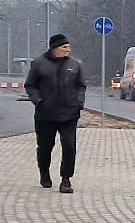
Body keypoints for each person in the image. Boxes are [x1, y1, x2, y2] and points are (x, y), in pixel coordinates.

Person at [24, 34, 88, 194]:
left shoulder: (74, 65)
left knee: (69, 146)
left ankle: (66, 179)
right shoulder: (39, 64)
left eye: (69, 47)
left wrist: (79, 102)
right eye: (64, 47)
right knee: (45, 147)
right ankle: (44, 173)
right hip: (46, 114)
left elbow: (81, 86)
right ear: (55, 48)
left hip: (70, 113)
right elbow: (30, 85)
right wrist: (38, 101)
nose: (68, 50)